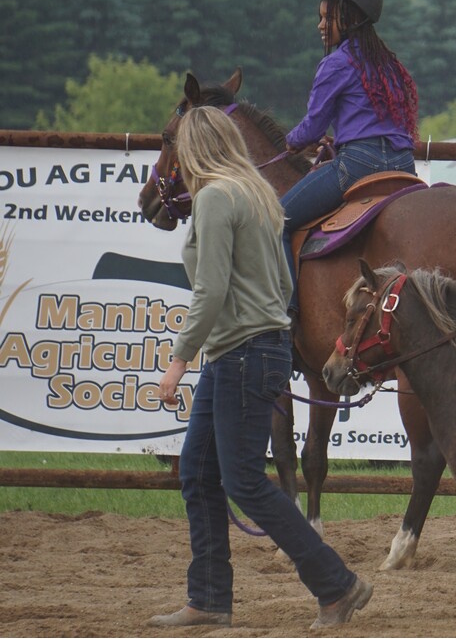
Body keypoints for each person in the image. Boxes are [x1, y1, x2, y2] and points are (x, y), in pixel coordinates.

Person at [148, 106, 372, 630]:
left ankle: (337, 584)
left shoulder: (213, 199)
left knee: (244, 481)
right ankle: (208, 598)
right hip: (255, 349)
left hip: (240, 353)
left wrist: (178, 362)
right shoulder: (257, 195)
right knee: (202, 475)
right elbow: (277, 284)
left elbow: (210, 290)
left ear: (192, 151)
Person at [281, 0, 419, 315]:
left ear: (350, 16)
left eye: (327, 17)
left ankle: (286, 311)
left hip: (358, 166)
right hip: (404, 166)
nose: (321, 25)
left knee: (275, 219)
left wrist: (291, 142)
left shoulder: (336, 63)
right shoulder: (390, 64)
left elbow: (312, 128)